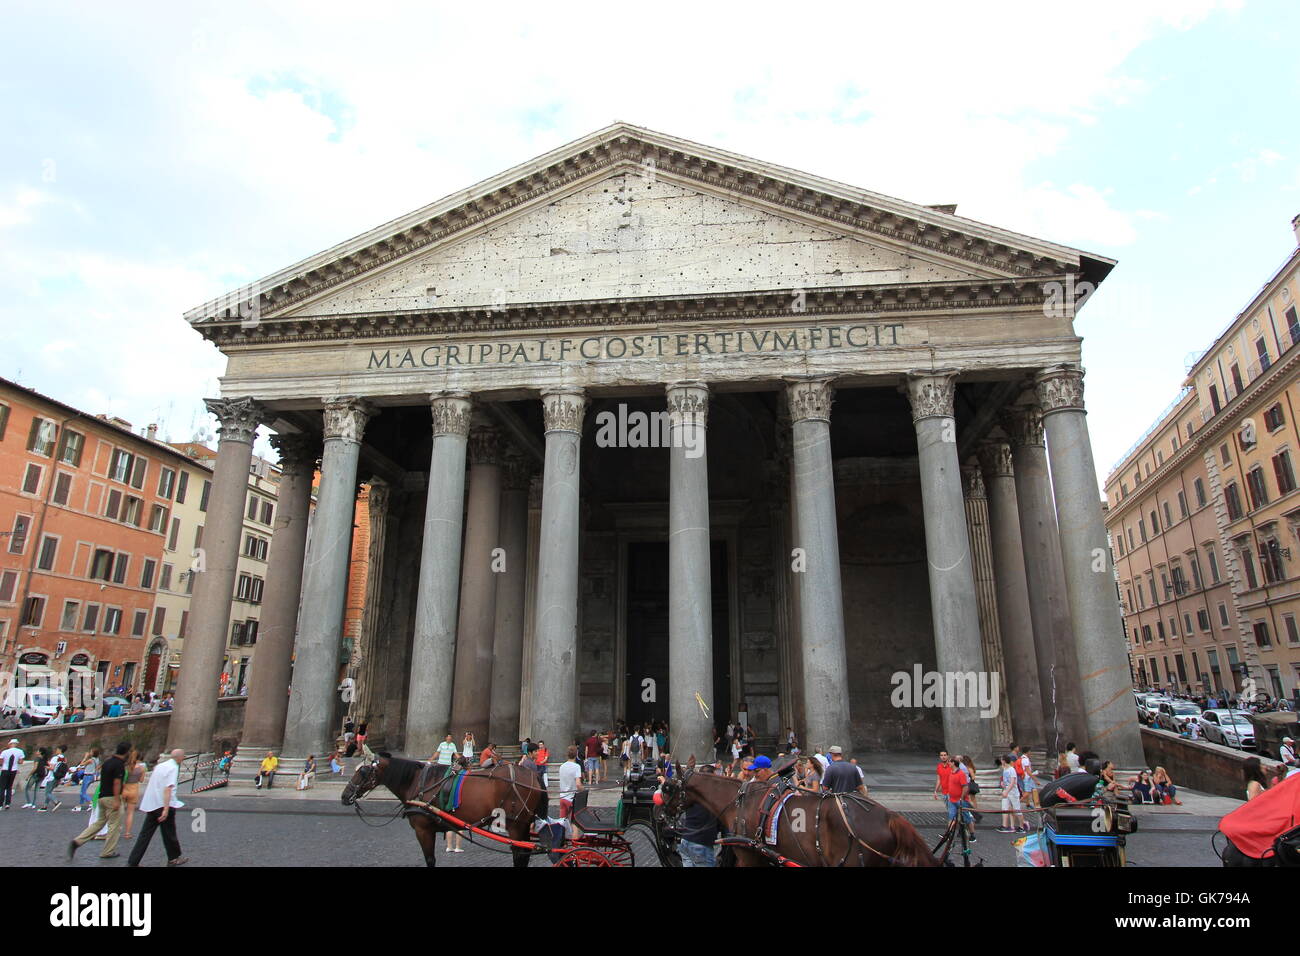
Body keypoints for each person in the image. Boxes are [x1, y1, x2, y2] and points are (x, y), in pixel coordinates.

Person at [127, 750, 188, 867]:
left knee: (145, 835)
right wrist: (165, 809)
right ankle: (173, 858)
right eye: (183, 757)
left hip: (153, 804)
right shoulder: (173, 768)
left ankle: (133, 862)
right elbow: (168, 788)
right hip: (164, 804)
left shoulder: (160, 766)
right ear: (180, 758)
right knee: (169, 833)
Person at [69, 741, 128, 860]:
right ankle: (107, 851)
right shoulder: (119, 765)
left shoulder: (107, 762)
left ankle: (77, 841)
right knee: (114, 825)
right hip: (112, 797)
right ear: (126, 752)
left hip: (102, 796)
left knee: (99, 823)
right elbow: (117, 783)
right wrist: (117, 800)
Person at [558, 745, 584, 830]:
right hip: (571, 798)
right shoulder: (576, 767)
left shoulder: (562, 766)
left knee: (562, 821)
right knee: (575, 823)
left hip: (562, 797)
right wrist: (582, 789)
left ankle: (561, 840)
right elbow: (578, 784)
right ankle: (574, 841)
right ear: (576, 754)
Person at [997, 754, 1024, 833]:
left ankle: (1021, 826)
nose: (1001, 762)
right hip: (1007, 792)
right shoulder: (1005, 769)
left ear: (1004, 761)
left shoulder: (1011, 770)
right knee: (1004, 808)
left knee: (1017, 809)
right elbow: (1006, 781)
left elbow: (1013, 782)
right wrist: (1003, 784)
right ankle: (1004, 825)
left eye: (1002, 760)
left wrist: (1006, 791)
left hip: (1013, 793)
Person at [121, 748, 144, 838]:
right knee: (130, 813)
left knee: (120, 812)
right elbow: (141, 780)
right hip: (134, 789)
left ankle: (116, 830)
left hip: (124, 789)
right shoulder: (142, 768)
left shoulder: (126, 767)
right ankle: (127, 833)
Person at [0, 738, 23, 809]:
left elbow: (1, 761)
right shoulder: (20, 751)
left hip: (5, 770)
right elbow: (21, 762)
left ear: (10, 744)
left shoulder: (4, 752)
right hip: (13, 770)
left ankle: (0, 804)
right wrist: (15, 762)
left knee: (2, 787)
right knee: (9, 787)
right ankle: (8, 803)